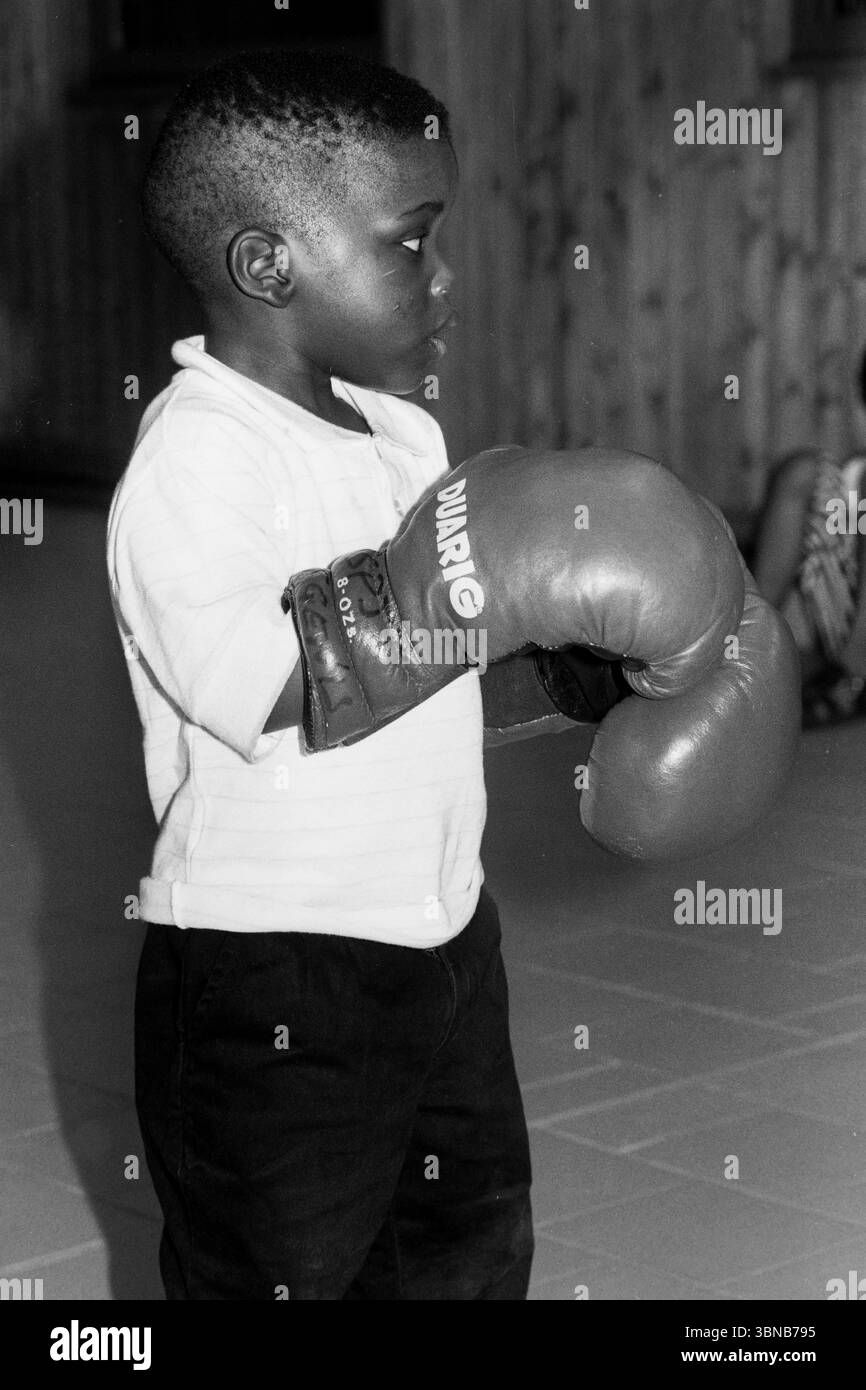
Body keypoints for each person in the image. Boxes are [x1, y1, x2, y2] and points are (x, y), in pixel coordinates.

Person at [106, 48, 797, 1300]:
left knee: (467, 1249)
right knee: (284, 1266)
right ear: (269, 266)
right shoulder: (195, 459)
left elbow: (429, 678)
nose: (443, 276)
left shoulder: (403, 434)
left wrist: (573, 669)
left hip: (442, 936)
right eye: (409, 243)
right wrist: (449, 585)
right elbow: (259, 686)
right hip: (270, 969)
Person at [750, 359, 866, 727]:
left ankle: (850, 677)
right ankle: (737, 658)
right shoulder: (843, 489)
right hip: (835, 638)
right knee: (800, 471)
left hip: (846, 667)